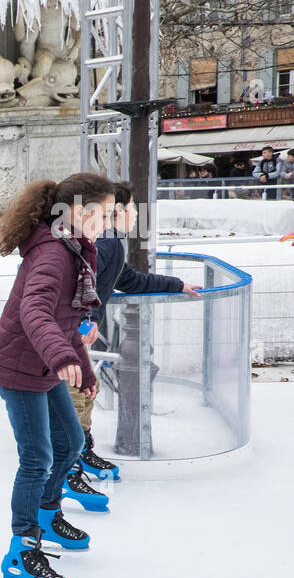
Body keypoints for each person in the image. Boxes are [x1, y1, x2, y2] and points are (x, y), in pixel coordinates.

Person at [0, 172, 117, 578]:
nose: (109, 221)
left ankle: (46, 512)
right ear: (78, 213)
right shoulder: (53, 255)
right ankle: (22, 551)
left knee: (72, 442)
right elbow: (36, 312)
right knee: (38, 456)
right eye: (103, 213)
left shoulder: (76, 250)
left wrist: (81, 362)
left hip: (46, 364)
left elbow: (70, 323)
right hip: (22, 368)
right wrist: (63, 358)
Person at [71, 181, 200, 485]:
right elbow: (75, 282)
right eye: (131, 208)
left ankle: (81, 452)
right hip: (70, 335)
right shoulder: (106, 242)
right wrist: (83, 320)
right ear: (116, 210)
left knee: (85, 393)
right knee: (76, 396)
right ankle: (69, 467)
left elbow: (127, 279)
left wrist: (176, 285)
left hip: (77, 334)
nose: (135, 215)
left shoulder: (110, 242)